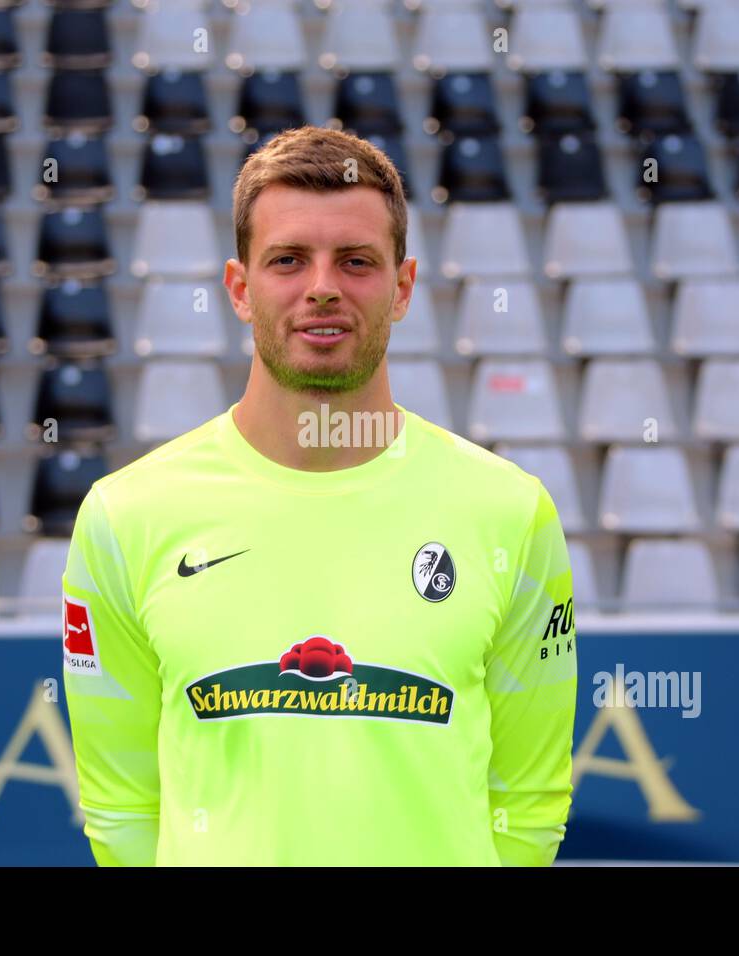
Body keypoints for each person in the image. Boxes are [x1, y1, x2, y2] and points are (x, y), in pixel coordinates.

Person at [62, 126, 577, 866]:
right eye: (289, 260)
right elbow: (121, 810)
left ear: (402, 287)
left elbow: (528, 804)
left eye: (357, 261)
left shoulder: (509, 512)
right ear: (241, 288)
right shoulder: (126, 516)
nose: (323, 287)